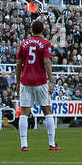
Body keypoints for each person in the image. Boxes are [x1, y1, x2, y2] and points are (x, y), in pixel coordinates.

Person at [16, 19, 57, 152]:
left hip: (25, 80)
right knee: (47, 110)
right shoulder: (45, 44)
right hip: (40, 81)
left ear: (31, 29)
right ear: (42, 30)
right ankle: (51, 143)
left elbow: (18, 64)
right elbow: (47, 63)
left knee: (24, 112)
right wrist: (51, 81)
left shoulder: (23, 44)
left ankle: (24, 144)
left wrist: (17, 82)